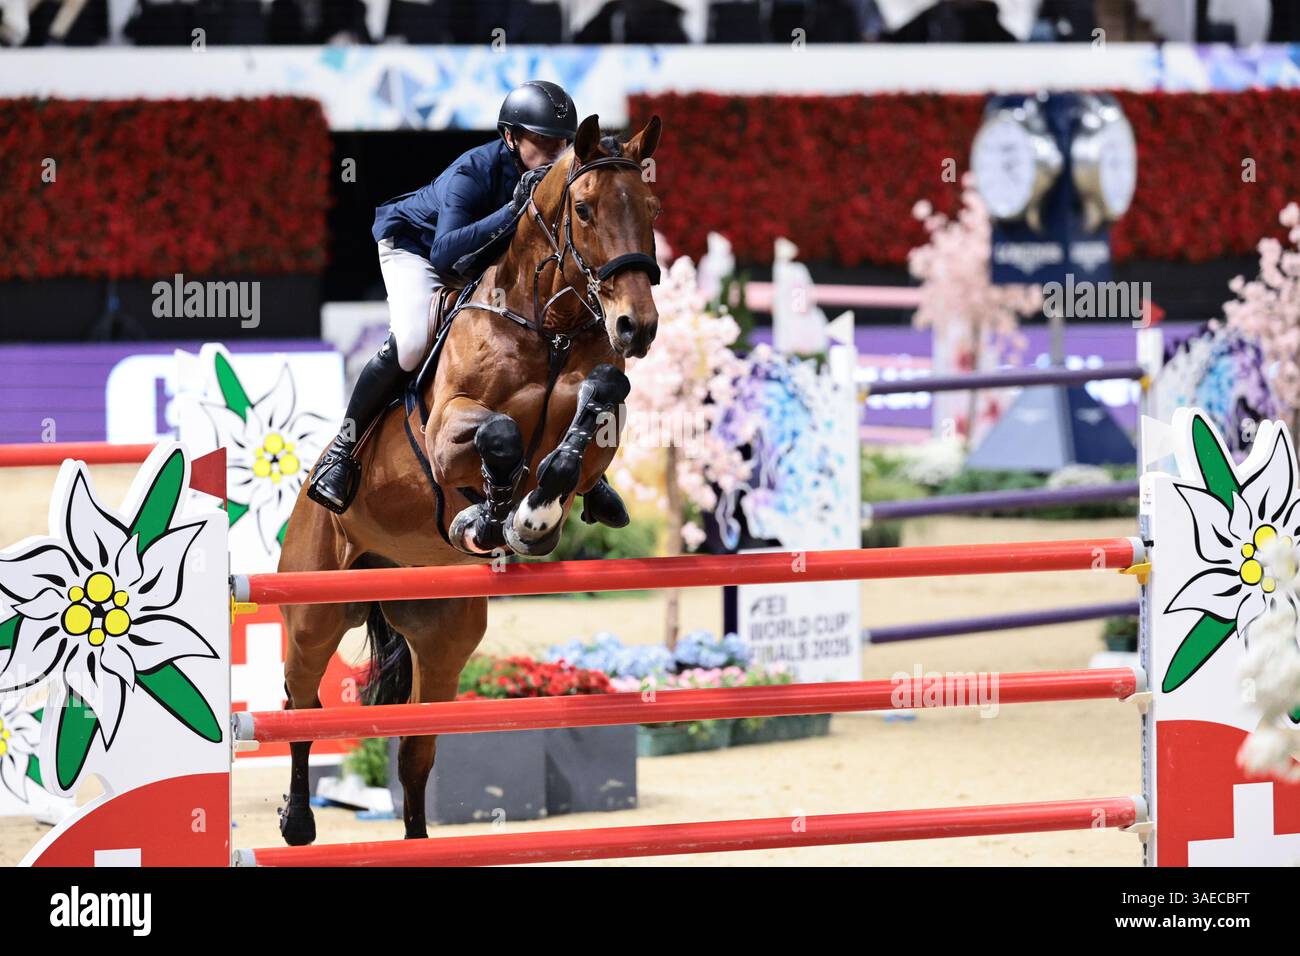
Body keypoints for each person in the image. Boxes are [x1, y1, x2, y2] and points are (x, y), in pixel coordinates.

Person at [307, 80, 628, 531]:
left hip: (484, 259)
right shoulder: (472, 170)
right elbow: (445, 254)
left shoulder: (559, 178)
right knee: (412, 344)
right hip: (418, 250)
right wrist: (514, 208)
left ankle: (588, 476)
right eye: (542, 141)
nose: (555, 152)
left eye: (561, 142)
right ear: (510, 137)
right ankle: (343, 451)